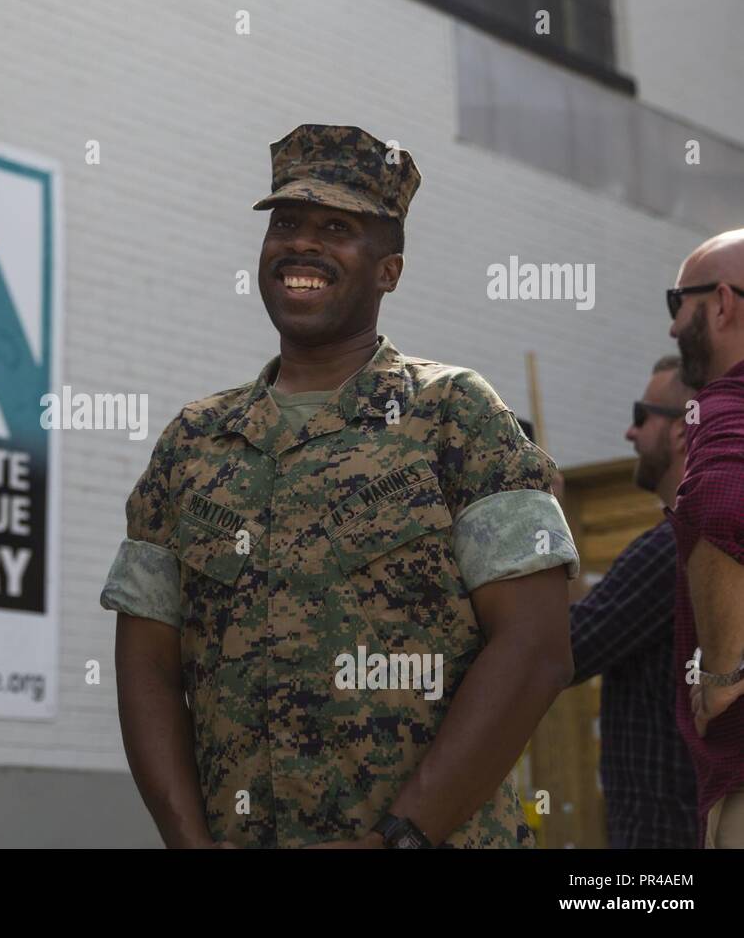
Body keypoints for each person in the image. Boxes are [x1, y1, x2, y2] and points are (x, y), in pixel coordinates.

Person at [101, 124, 579, 848]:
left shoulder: (455, 415)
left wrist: (406, 836)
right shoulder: (192, 443)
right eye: (285, 224)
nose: (301, 244)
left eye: (337, 227)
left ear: (389, 269)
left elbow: (536, 648)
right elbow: (147, 671)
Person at [564, 356, 698, 848]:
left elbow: (566, 650)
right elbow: (594, 625)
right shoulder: (709, 540)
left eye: (641, 416)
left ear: (684, 432)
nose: (629, 433)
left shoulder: (673, 550)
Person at [665, 228, 744, 847]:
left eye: (678, 303)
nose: (671, 328)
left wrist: (720, 677)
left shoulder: (725, 406)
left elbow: (719, 507)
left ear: (721, 303)